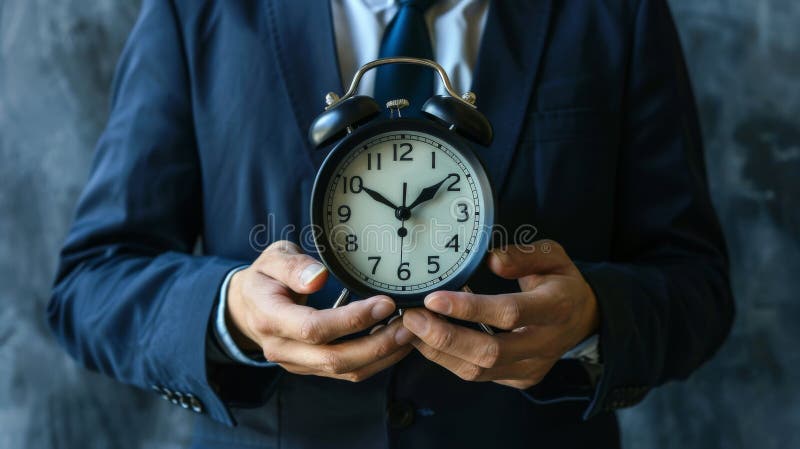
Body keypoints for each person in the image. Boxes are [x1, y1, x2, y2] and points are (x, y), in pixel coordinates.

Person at [47, 0, 734, 448]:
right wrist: (230, 315)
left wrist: (590, 321)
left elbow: (695, 281)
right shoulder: (196, 14)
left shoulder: (615, 14)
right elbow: (93, 280)